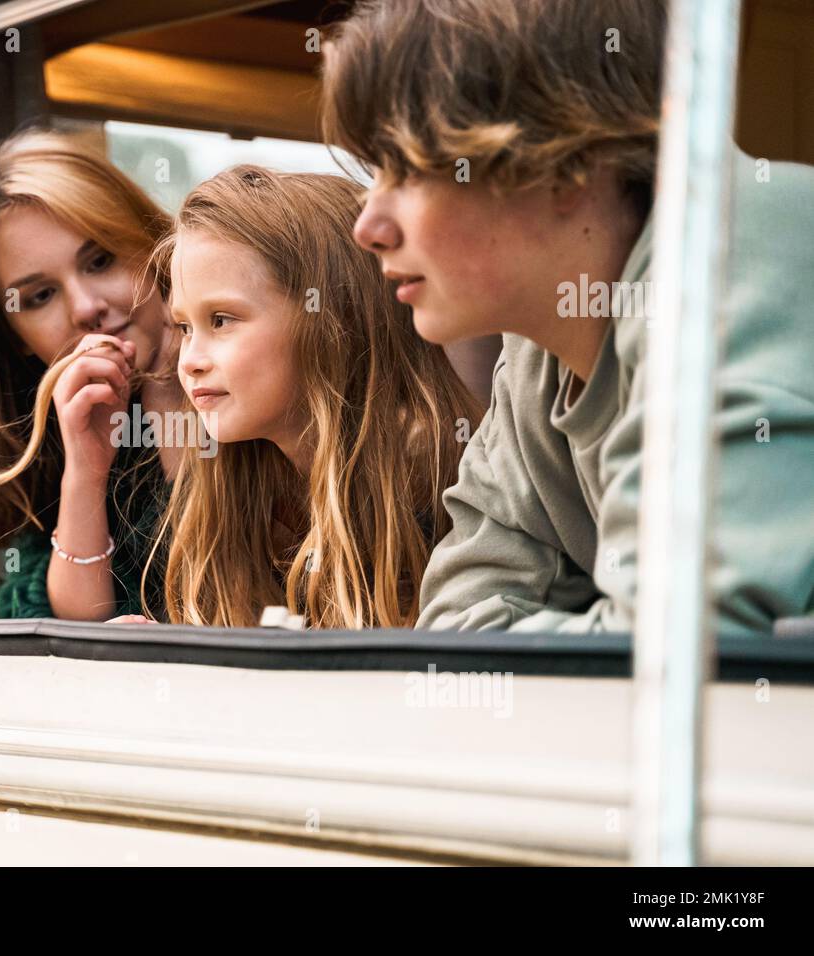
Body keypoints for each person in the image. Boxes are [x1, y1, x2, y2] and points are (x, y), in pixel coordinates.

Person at [322, 0, 814, 635]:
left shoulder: (733, 245)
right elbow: (455, 619)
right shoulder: (544, 341)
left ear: (568, 159)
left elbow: (682, 656)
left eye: (408, 169)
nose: (368, 228)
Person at [135, 166, 480, 628]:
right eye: (184, 327)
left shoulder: (433, 471)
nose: (190, 360)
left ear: (332, 320)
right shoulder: (233, 474)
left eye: (221, 320)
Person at [0, 129, 180, 621]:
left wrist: (170, 393)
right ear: (13, 333)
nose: (86, 308)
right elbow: (60, 628)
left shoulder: (255, 388)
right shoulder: (40, 444)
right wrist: (85, 470)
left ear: (149, 242)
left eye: (100, 260)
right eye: (39, 296)